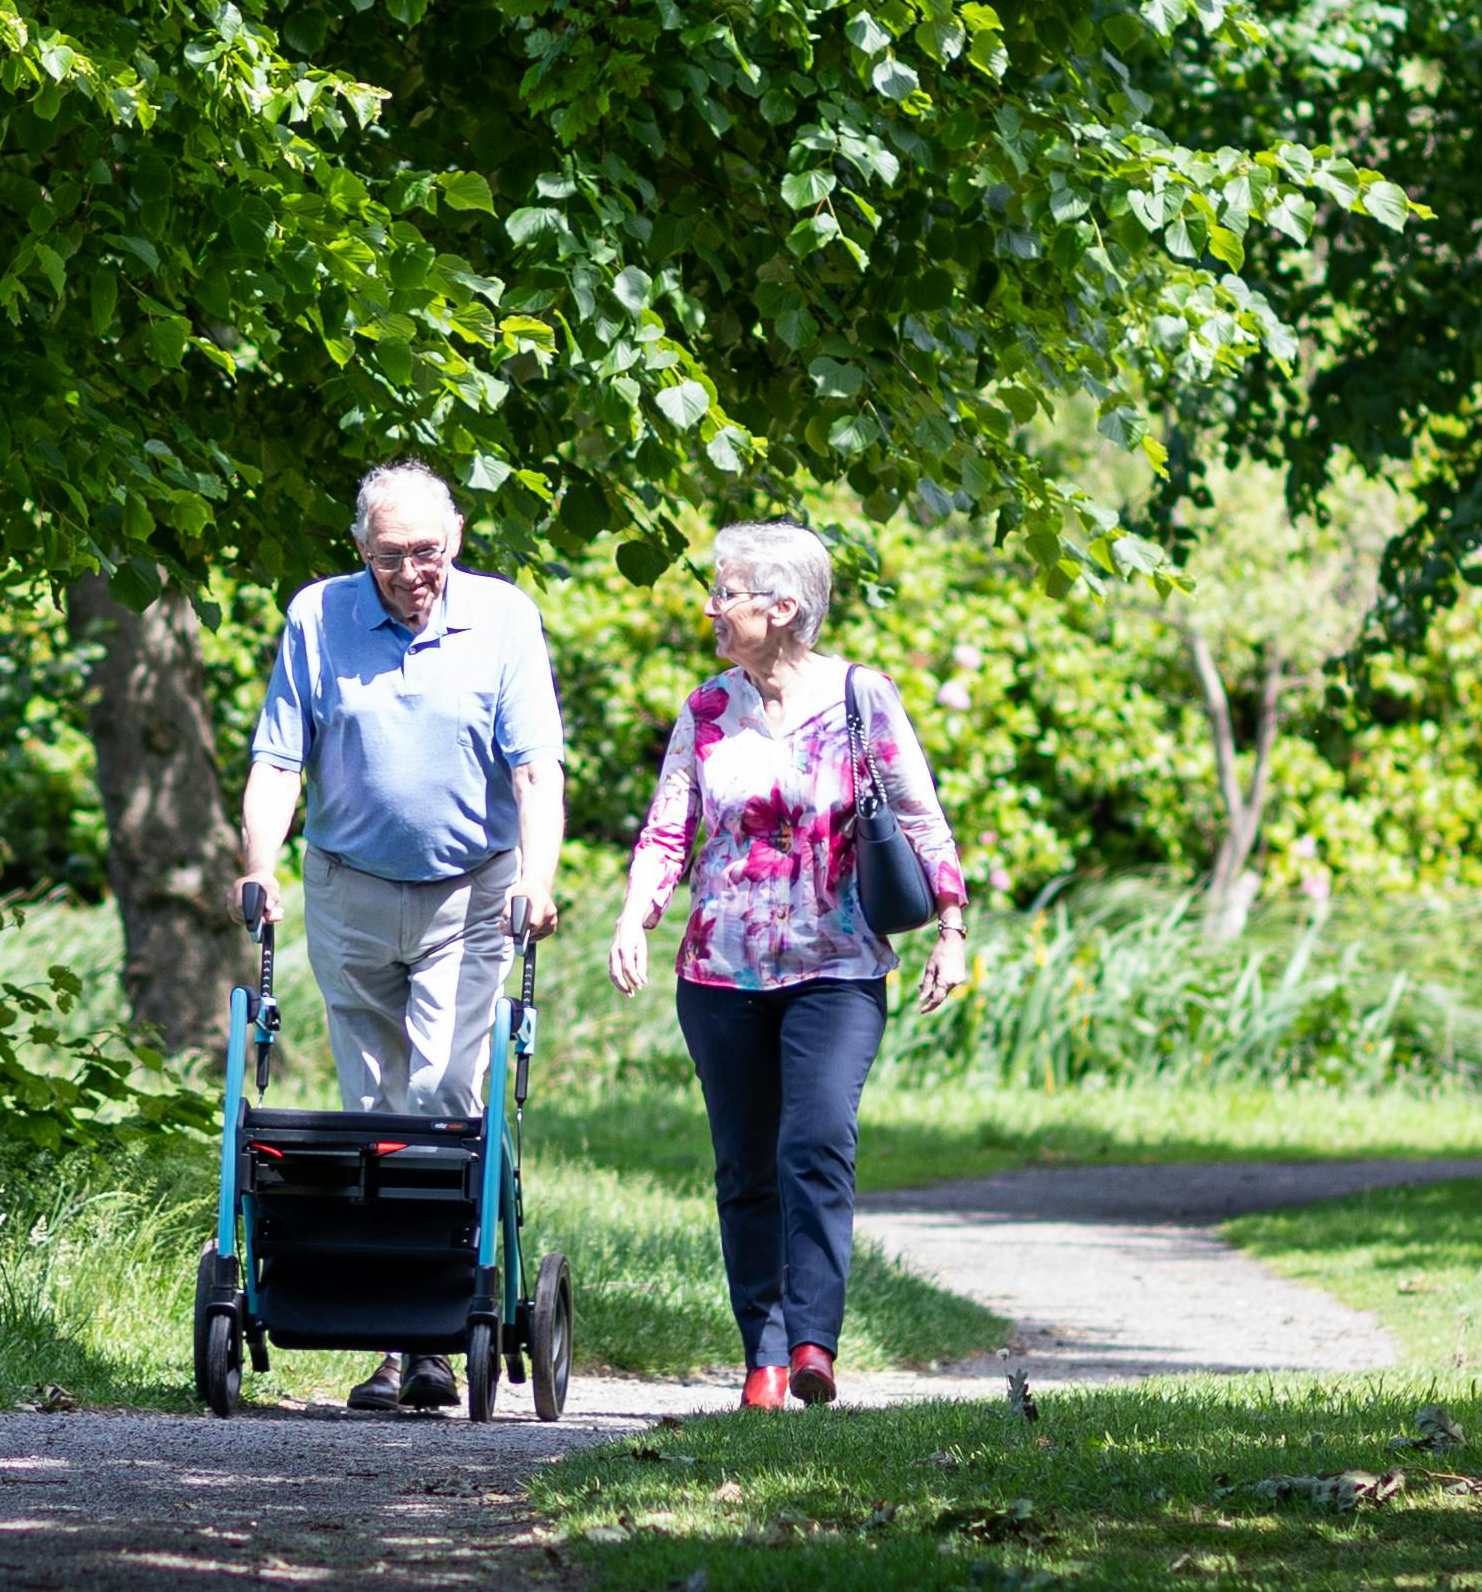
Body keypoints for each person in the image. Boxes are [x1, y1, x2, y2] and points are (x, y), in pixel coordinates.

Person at [606, 520, 969, 1410]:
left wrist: (952, 926)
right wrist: (634, 916)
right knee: (744, 1165)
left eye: (725, 592)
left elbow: (917, 813)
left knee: (815, 1144)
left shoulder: (861, 695)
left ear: (783, 606)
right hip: (720, 972)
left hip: (837, 965)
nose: (711, 607)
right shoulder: (707, 707)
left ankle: (813, 1342)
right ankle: (761, 1358)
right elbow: (668, 823)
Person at [240, 460, 565, 1411]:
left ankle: (431, 1332)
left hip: (472, 891)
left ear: (456, 538)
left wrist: (537, 880)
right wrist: (259, 863)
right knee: (370, 1103)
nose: (414, 571)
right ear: (360, 551)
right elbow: (277, 757)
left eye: (430, 550)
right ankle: (388, 1339)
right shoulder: (318, 616)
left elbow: (535, 769)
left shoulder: (503, 617)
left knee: (439, 1097)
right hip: (348, 886)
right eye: (392, 556)